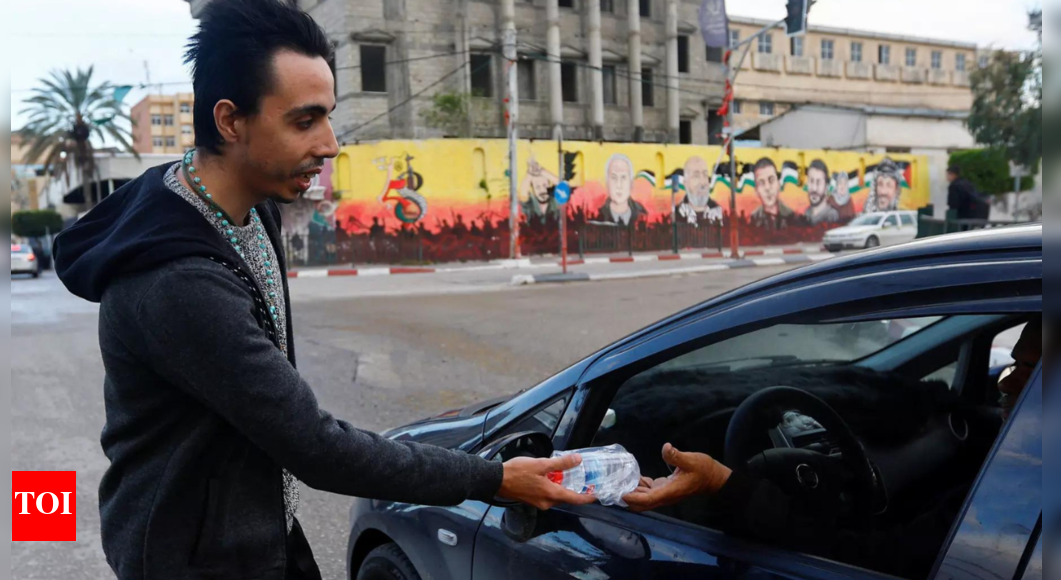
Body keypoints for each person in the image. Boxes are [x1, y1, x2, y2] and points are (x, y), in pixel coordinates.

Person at [52, 2, 593, 579]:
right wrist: (493, 479)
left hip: (260, 523)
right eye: (304, 121)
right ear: (231, 121)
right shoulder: (178, 284)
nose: (331, 144)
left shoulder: (253, 203)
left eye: (329, 117)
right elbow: (312, 444)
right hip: (193, 555)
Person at [623, 316, 1045, 579]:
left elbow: (862, 562)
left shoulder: (1019, 502)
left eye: (1032, 371)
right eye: (1014, 365)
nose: (1005, 384)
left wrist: (722, 483)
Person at [597, 154, 647, 226]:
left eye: (623, 178)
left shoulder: (642, 215)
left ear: (631, 183)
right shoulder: (598, 217)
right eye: (614, 178)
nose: (619, 185)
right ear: (607, 183)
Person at [749, 158, 796, 230]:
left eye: (771, 180)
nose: (767, 188)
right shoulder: (752, 219)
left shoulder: (791, 216)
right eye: (761, 183)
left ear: (779, 184)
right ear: (756, 191)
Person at [676, 157, 724, 225]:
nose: (702, 182)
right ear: (685, 183)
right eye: (696, 176)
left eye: (705, 175)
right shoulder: (677, 214)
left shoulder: (719, 212)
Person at [802, 160, 841, 225]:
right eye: (811, 181)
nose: (814, 188)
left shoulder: (832, 216)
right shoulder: (807, 213)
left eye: (819, 182)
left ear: (826, 187)